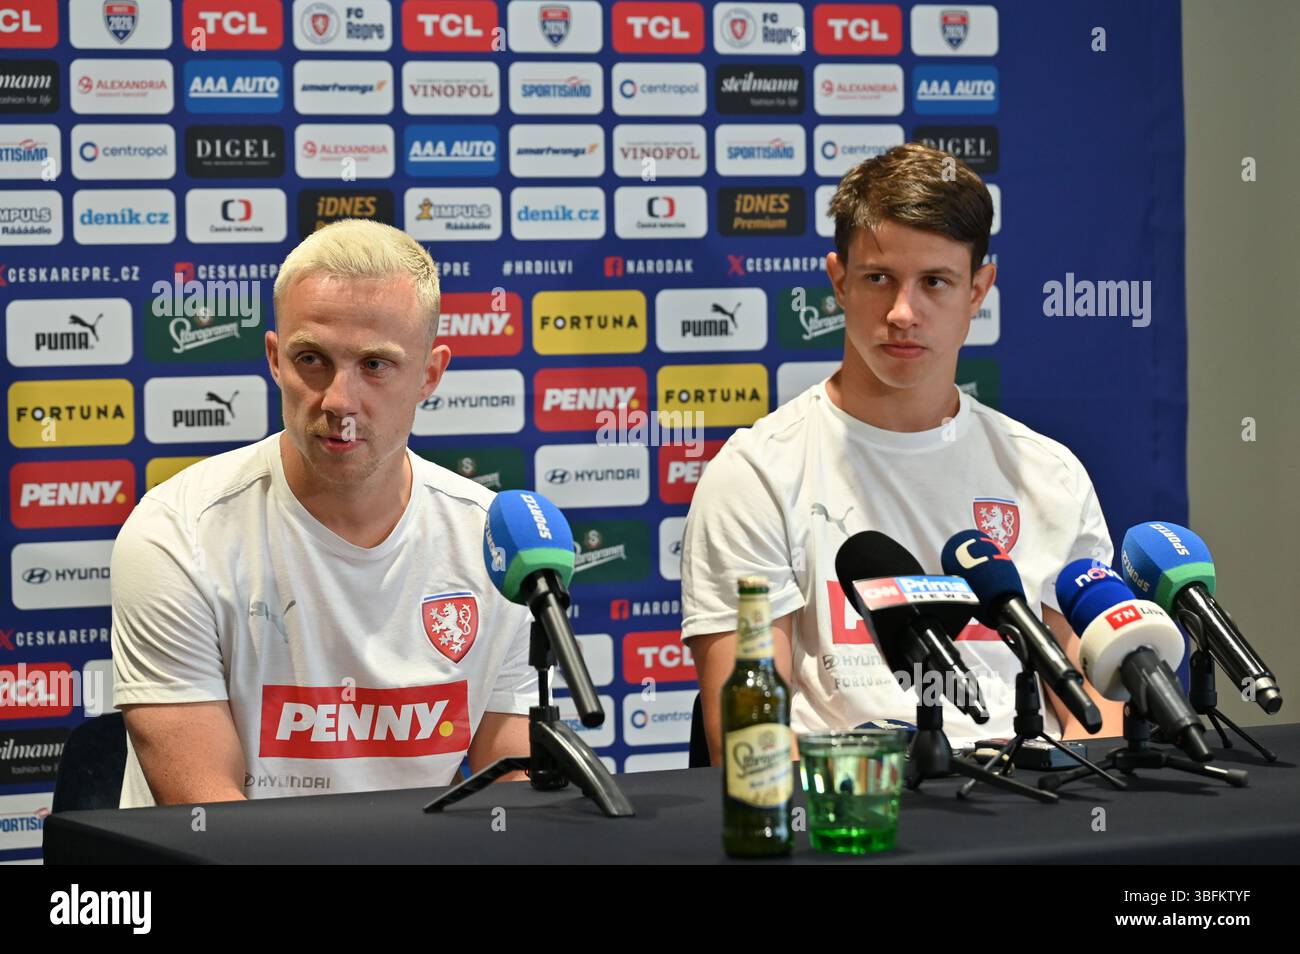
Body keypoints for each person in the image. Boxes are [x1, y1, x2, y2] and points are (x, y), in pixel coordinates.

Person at [681, 143, 1124, 763]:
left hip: (1035, 814)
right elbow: (749, 743)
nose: (902, 313)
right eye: (878, 278)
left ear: (978, 289)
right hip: (850, 824)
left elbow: (1097, 715)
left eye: (935, 282)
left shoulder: (1048, 474)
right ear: (839, 281)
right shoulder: (755, 474)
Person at [110, 220, 533, 808]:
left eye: (376, 365)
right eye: (312, 359)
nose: (338, 400)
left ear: (430, 375)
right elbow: (205, 812)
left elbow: (515, 784)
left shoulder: (494, 544)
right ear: (275, 359)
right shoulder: (177, 535)